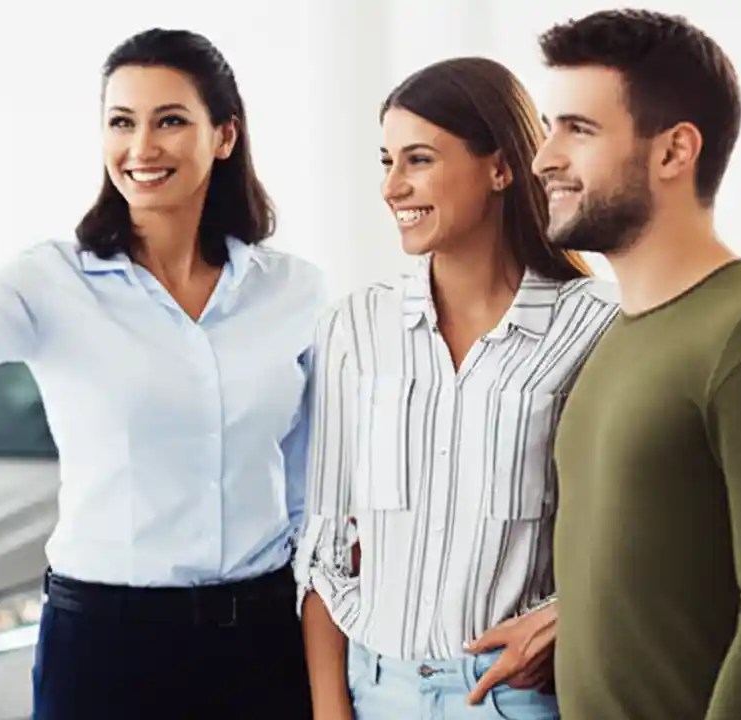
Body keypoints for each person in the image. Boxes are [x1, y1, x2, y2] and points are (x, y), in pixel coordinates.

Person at [0, 28, 323, 720]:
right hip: (106, 644)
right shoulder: (54, 281)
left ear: (224, 137)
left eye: (170, 121)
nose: (141, 147)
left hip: (259, 635)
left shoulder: (293, 292)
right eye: (121, 122)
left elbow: (309, 486)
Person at [295, 56, 619, 720]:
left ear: (500, 167)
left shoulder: (599, 326)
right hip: (374, 689)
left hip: (512, 699)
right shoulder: (356, 327)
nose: (392, 188)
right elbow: (323, 551)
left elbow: (640, 531)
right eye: (385, 161)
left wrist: (566, 615)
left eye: (417, 160)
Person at [533, 10, 741, 719]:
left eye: (578, 129)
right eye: (551, 127)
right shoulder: (621, 331)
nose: (545, 157)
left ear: (674, 152)